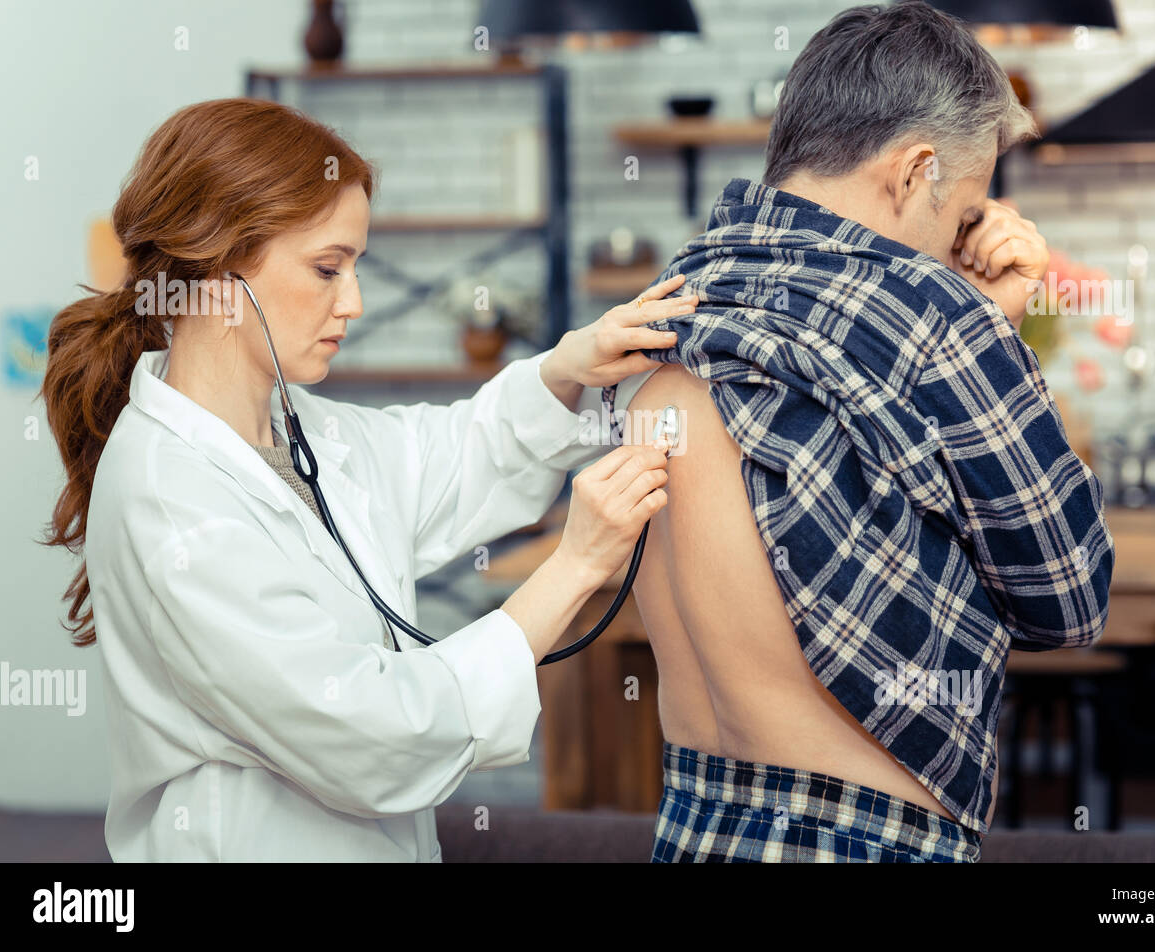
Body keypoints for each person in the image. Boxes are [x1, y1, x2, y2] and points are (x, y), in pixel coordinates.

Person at [39, 97, 695, 862]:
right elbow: (376, 737)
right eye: (326, 269)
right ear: (218, 273)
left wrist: (563, 368)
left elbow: (452, 454)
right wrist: (576, 566)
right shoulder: (169, 498)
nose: (352, 303)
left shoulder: (301, 431)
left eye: (353, 266)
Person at [602, 1, 1114, 862]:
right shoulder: (932, 323)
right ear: (916, 172)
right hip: (859, 840)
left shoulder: (668, 320)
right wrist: (991, 330)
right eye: (963, 213)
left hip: (693, 825)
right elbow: (1070, 598)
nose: (963, 242)